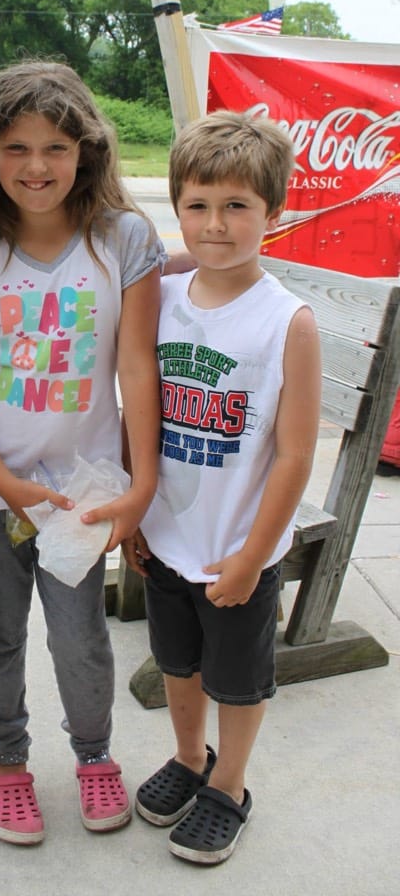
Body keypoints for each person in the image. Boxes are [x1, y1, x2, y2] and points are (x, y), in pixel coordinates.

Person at [0, 61, 164, 845]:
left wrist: (141, 489)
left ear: (88, 151)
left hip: (84, 497)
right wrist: (1, 481)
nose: (37, 168)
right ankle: (6, 764)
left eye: (57, 148)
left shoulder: (123, 239)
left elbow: (138, 372)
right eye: (17, 148)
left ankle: (94, 756)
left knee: (80, 637)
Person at [130, 110, 321, 865]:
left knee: (238, 682)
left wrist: (250, 557)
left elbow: (295, 456)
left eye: (238, 206)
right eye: (199, 205)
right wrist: (138, 517)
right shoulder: (164, 300)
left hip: (238, 551)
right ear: (177, 209)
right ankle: (188, 758)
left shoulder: (287, 323)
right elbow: (138, 413)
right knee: (179, 666)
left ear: (273, 215)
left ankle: (231, 785)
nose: (216, 224)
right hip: (167, 538)